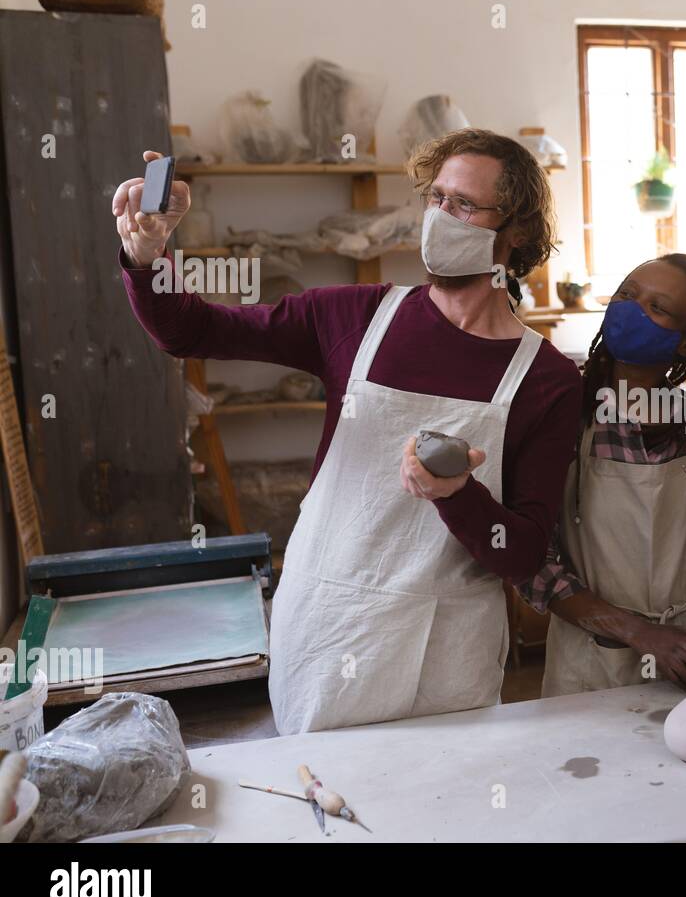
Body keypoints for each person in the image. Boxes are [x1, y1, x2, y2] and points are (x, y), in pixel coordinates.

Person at [112, 129, 582, 734]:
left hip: (447, 651)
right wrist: (147, 257)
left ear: (515, 230)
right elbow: (191, 332)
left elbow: (520, 553)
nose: (440, 217)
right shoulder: (354, 316)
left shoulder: (546, 379)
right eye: (435, 198)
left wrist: (457, 495)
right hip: (331, 624)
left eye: (463, 205)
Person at [517, 254, 686, 695]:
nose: (631, 309)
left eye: (657, 308)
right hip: (595, 655)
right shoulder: (562, 410)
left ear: (685, 342)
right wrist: (642, 634)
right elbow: (533, 564)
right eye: (627, 294)